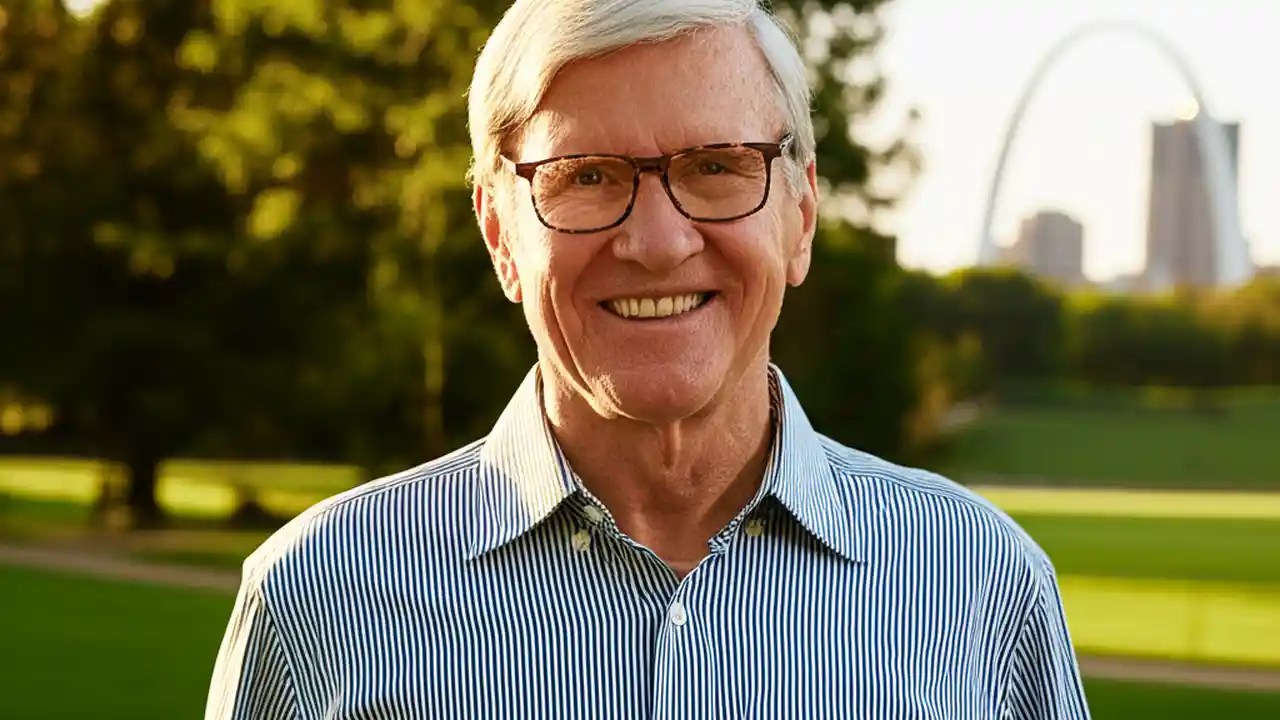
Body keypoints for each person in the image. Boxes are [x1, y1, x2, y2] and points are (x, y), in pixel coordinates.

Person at [205, 1, 1091, 718]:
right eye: (587, 176)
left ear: (801, 217)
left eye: (716, 167)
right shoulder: (317, 598)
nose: (659, 243)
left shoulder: (980, 583)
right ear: (499, 234)